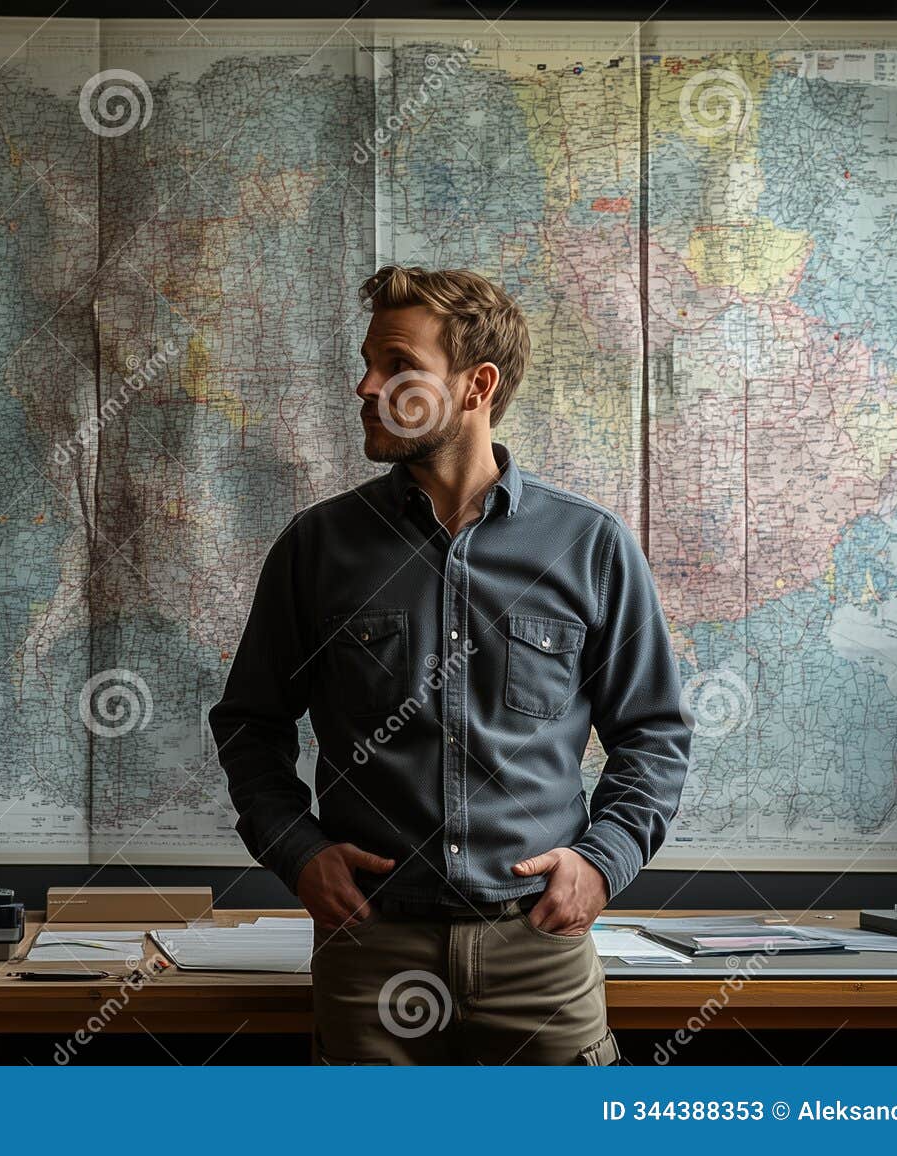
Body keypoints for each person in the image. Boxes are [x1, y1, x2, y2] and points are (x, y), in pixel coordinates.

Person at [209, 265, 691, 1064]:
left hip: (539, 952)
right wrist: (299, 852)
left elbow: (655, 734)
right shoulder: (318, 546)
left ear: (476, 385)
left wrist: (603, 865)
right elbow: (249, 725)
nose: (366, 385)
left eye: (397, 366)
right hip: (370, 955)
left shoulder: (589, 546)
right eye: (367, 362)